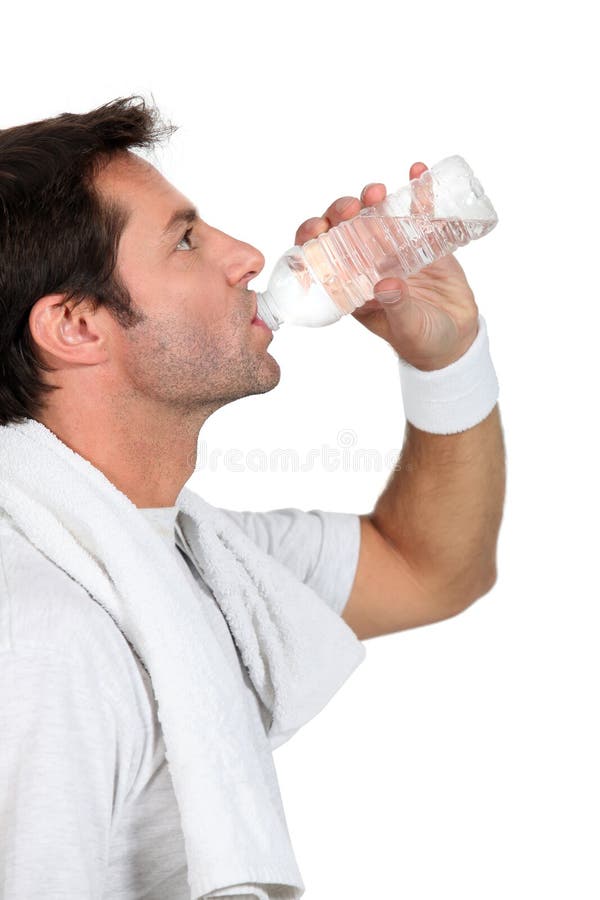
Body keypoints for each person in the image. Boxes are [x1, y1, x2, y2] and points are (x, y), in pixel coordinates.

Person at [0, 96, 506, 899]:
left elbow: (435, 569)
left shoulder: (188, 561)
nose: (243, 256)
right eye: (186, 241)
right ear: (77, 325)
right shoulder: (40, 634)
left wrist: (447, 359)